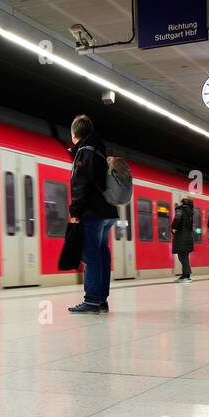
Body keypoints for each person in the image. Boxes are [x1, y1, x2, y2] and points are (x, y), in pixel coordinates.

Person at [66, 114, 118, 313]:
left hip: (93, 211)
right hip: (108, 210)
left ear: (75, 134)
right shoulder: (101, 149)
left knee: (91, 256)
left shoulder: (85, 151)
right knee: (102, 253)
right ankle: (101, 299)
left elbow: (81, 184)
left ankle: (92, 300)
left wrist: (75, 210)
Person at [170, 198, 195, 282]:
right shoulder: (190, 212)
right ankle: (185, 274)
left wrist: (173, 228)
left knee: (182, 257)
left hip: (181, 236)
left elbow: (177, 218)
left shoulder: (180, 209)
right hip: (188, 236)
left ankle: (187, 276)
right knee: (184, 256)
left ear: (182, 203)